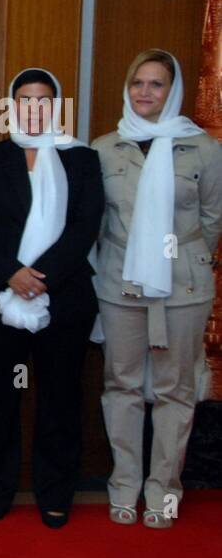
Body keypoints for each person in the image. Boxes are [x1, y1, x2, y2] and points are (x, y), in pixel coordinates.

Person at [0, 68, 102, 527]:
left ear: (56, 106)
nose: (34, 109)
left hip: (63, 299)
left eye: (44, 100)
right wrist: (11, 274)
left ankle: (55, 492)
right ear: (10, 106)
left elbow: (86, 225)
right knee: (0, 398)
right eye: (25, 100)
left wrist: (41, 277)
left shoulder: (80, 159)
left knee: (60, 398)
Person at [93, 49, 222, 529]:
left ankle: (164, 490)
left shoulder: (203, 149)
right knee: (121, 385)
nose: (144, 93)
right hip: (119, 281)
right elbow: (97, 222)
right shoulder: (106, 147)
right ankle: (124, 486)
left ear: (174, 91)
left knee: (175, 390)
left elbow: (212, 221)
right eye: (137, 83)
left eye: (156, 85)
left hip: (183, 285)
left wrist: (169, 258)